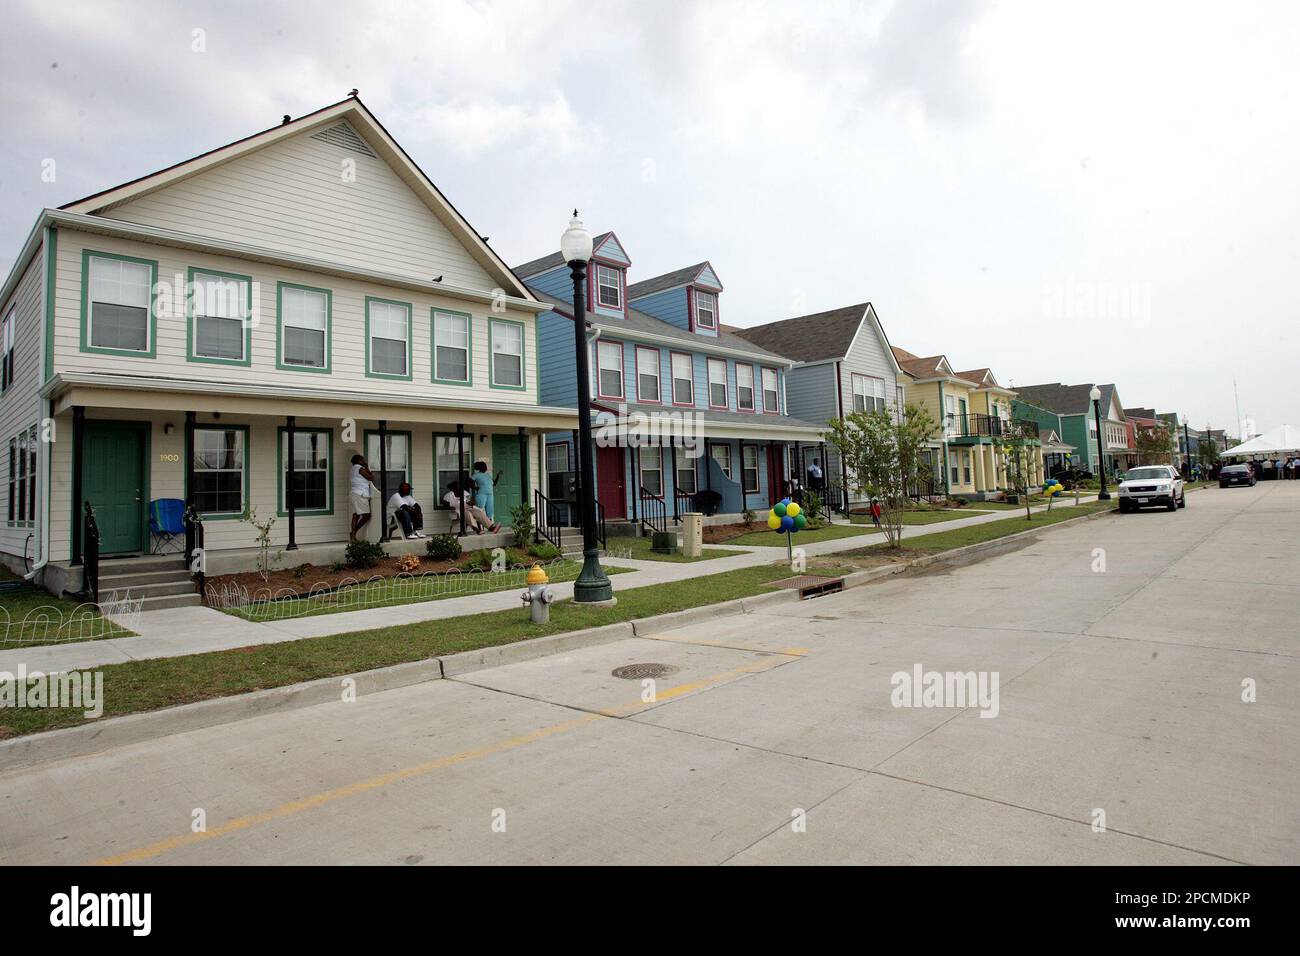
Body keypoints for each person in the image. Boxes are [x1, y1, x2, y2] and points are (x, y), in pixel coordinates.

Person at [349, 454, 376, 542]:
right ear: (359, 461)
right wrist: (367, 467)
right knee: (367, 515)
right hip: (360, 494)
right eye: (363, 460)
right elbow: (371, 478)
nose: (364, 461)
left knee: (356, 515)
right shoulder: (360, 469)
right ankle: (354, 533)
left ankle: (353, 535)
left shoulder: (353, 469)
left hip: (354, 493)